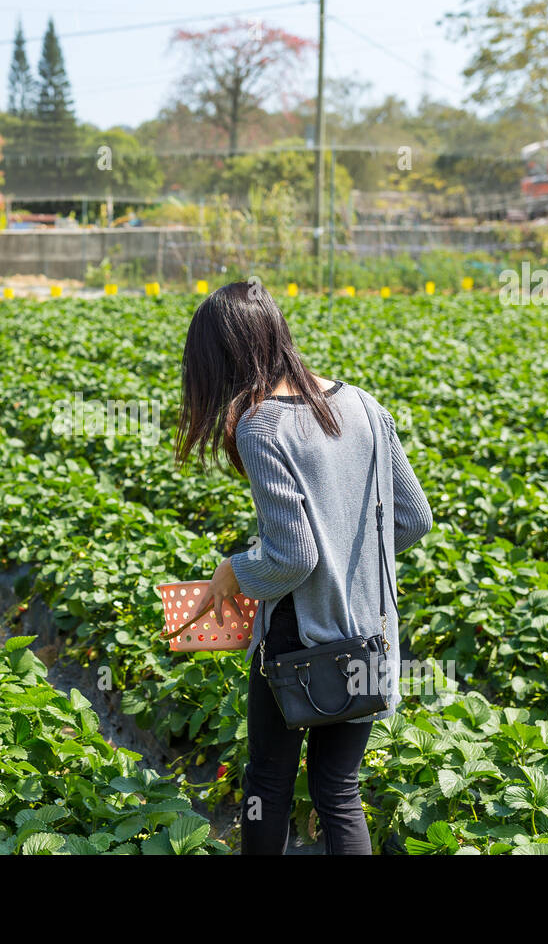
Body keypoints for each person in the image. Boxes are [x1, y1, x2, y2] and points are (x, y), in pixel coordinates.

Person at [172, 280, 433, 855]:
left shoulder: (262, 424)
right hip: (369, 636)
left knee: (267, 781)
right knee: (339, 791)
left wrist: (234, 571)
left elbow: (294, 556)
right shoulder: (364, 404)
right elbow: (414, 518)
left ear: (226, 357)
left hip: (298, 639)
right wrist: (353, 558)